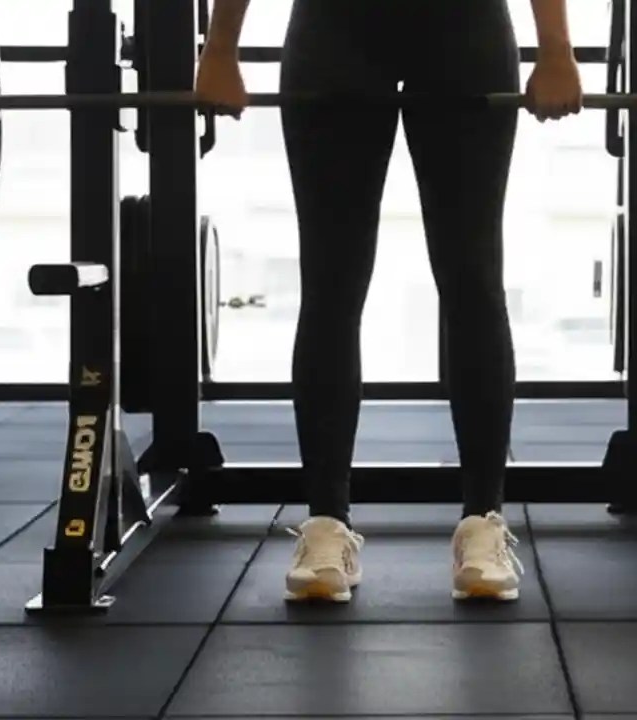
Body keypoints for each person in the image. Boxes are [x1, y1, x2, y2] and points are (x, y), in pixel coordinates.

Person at [196, 0, 583, 603]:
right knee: (331, 282)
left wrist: (555, 50)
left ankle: (483, 524)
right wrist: (220, 49)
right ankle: (326, 526)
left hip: (465, 32)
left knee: (473, 277)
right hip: (333, 34)